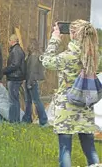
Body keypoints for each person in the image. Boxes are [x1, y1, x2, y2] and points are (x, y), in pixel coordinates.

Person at [41, 20, 100, 167]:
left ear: (73, 34)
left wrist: (55, 39)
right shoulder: (93, 54)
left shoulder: (69, 56)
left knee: (65, 148)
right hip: (85, 105)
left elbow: (47, 61)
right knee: (89, 147)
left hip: (67, 105)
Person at [22, 39, 48, 126]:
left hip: (31, 81)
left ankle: (43, 120)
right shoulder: (37, 55)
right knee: (30, 101)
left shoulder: (33, 56)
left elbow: (32, 71)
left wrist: (29, 82)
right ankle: (27, 118)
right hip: (32, 80)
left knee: (36, 101)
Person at [3, 34, 26, 123]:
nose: (8, 43)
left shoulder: (16, 50)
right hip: (17, 77)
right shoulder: (18, 50)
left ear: (12, 41)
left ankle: (13, 120)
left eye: (9, 41)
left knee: (12, 100)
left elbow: (15, 64)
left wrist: (5, 70)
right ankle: (16, 120)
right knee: (15, 100)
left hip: (14, 77)